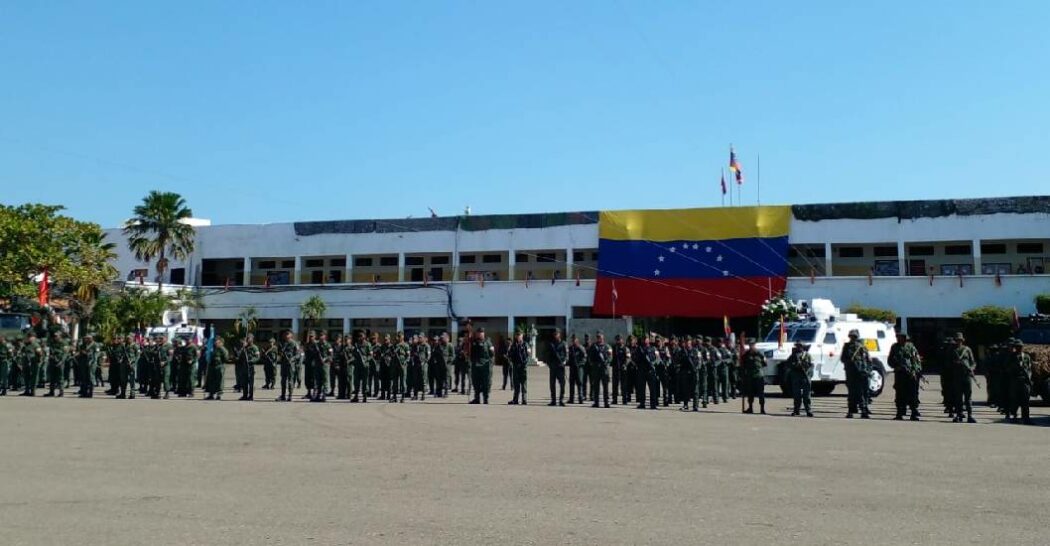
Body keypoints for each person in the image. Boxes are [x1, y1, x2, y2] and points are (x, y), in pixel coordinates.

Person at [888, 333, 922, 420]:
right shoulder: (894, 347)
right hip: (900, 374)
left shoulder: (911, 347)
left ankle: (913, 412)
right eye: (898, 337)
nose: (899, 339)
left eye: (901, 338)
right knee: (899, 394)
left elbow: (916, 360)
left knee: (912, 394)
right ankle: (899, 413)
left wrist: (914, 371)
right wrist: (896, 366)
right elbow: (890, 360)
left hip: (910, 374)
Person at [1003, 339, 1033, 424]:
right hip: (1015, 380)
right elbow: (1007, 368)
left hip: (1024, 380)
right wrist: (1015, 366)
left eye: (1020, 347)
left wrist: (1029, 378)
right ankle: (1014, 417)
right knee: (1014, 400)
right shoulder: (1011, 357)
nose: (1019, 348)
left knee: (1025, 401)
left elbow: (1030, 368)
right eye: (1017, 347)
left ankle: (1026, 418)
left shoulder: (1026, 356)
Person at [842, 329, 871, 419]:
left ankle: (863, 410)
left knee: (861, 392)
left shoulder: (862, 347)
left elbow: (868, 360)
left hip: (861, 373)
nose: (852, 338)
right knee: (852, 393)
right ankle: (851, 411)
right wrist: (849, 363)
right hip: (851, 373)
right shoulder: (846, 347)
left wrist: (866, 371)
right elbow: (843, 358)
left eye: (854, 336)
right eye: (851, 336)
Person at [949, 332, 977, 423]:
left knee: (968, 397)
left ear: (962, 341)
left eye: (960, 340)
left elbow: (973, 362)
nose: (958, 342)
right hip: (957, 376)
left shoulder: (967, 350)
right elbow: (947, 364)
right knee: (958, 397)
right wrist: (955, 363)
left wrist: (971, 369)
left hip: (966, 376)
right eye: (957, 340)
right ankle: (958, 415)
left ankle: (970, 415)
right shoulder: (952, 350)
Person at [784, 342, 814, 417]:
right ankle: (796, 410)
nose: (798, 348)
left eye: (800, 346)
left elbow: (811, 366)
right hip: (796, 377)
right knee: (796, 395)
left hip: (805, 377)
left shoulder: (807, 355)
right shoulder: (793, 356)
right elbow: (788, 364)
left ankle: (808, 410)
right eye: (797, 346)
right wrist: (795, 366)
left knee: (806, 395)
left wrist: (809, 375)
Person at [740, 338, 766, 414]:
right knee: (750, 393)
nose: (751, 346)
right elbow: (743, 365)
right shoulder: (746, 355)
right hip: (750, 376)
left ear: (755, 345)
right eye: (750, 344)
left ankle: (762, 409)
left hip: (758, 375)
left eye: (752, 344)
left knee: (761, 393)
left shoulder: (759, 354)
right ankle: (750, 408)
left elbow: (765, 363)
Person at [469, 328, 494, 405]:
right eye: (478, 333)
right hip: (476, 366)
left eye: (481, 333)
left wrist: (490, 364)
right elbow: (471, 354)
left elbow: (492, 354)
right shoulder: (474, 343)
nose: (479, 335)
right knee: (476, 383)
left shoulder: (488, 343)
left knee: (485, 383)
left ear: (483, 334)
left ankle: (485, 399)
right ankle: (477, 399)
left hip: (485, 366)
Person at [634, 335, 660, 409]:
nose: (645, 340)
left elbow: (657, 358)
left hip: (650, 370)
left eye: (646, 339)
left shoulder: (653, 348)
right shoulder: (639, 349)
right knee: (642, 388)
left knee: (652, 388)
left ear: (649, 340)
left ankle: (653, 404)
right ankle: (642, 403)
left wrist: (653, 364)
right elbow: (635, 358)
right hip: (642, 370)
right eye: (643, 339)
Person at [507, 330, 530, 405]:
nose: (518, 337)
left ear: (522, 335)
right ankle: (515, 399)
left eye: (520, 335)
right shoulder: (513, 345)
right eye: (517, 335)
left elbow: (528, 355)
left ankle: (524, 399)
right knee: (516, 384)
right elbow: (509, 355)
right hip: (516, 366)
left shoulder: (525, 344)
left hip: (523, 367)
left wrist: (525, 363)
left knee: (524, 384)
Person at [678, 336, 700, 412]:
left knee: (695, 390)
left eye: (688, 341)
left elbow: (699, 361)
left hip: (694, 372)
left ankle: (695, 406)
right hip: (685, 372)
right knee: (685, 390)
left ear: (691, 342)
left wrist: (696, 368)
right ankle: (685, 404)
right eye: (686, 341)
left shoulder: (695, 351)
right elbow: (678, 361)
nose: (687, 343)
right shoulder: (682, 351)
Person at [20, 332, 46, 397]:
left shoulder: (36, 345)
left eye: (30, 337)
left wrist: (39, 361)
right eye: (28, 337)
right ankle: (27, 390)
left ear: (34, 338)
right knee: (26, 376)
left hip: (33, 363)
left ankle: (33, 391)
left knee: (34, 377)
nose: (29, 338)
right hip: (26, 363)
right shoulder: (26, 345)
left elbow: (40, 354)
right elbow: (22, 352)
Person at [276, 330, 300, 402]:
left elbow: (298, 355)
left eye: (287, 334)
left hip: (291, 365)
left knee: (290, 381)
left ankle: (290, 395)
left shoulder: (294, 343)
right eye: (285, 334)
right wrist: (281, 354)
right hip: (283, 364)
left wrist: (292, 359)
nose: (286, 335)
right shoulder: (282, 343)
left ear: (291, 335)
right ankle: (283, 395)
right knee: (283, 380)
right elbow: (279, 353)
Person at [45, 332, 69, 398]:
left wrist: (61, 361)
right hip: (52, 361)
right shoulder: (52, 342)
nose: (55, 337)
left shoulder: (64, 343)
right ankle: (51, 391)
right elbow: (50, 351)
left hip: (60, 362)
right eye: (54, 336)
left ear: (60, 336)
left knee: (60, 378)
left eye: (56, 336)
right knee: (52, 377)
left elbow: (65, 353)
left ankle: (61, 392)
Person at [548, 329, 567, 406]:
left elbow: (566, 355)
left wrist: (564, 362)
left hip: (560, 366)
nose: (555, 335)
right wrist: (549, 364)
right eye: (554, 334)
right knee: (552, 384)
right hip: (553, 367)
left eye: (557, 334)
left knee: (562, 384)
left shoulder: (563, 344)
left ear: (559, 334)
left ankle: (561, 400)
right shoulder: (551, 344)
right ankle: (553, 401)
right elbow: (547, 355)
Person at [237, 334, 260, 401]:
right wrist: (243, 348)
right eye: (247, 338)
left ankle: (251, 396)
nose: (247, 339)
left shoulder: (254, 347)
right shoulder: (245, 347)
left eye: (249, 338)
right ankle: (244, 395)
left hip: (250, 367)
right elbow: (240, 356)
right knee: (244, 382)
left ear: (252, 339)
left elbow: (257, 357)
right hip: (244, 367)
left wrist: (251, 361)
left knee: (251, 383)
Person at [350, 331, 371, 403]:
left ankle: (364, 396)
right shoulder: (356, 345)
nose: (360, 338)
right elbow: (353, 355)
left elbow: (370, 355)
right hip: (357, 366)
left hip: (365, 366)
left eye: (361, 336)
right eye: (359, 336)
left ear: (364, 336)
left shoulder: (368, 345)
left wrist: (366, 360)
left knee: (365, 381)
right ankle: (356, 396)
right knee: (356, 381)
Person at [567, 334, 586, 404]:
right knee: (571, 383)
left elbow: (584, 358)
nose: (573, 341)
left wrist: (580, 364)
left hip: (579, 368)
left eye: (574, 339)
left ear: (577, 340)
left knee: (579, 383)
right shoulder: (570, 348)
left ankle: (580, 398)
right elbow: (568, 357)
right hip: (572, 368)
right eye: (572, 340)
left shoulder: (580, 348)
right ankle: (571, 398)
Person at [392, 332, 410, 403]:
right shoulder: (395, 345)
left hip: (402, 365)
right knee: (395, 381)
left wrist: (405, 362)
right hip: (395, 365)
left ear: (402, 337)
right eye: (397, 336)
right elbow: (392, 354)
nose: (398, 338)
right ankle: (394, 396)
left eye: (399, 336)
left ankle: (403, 396)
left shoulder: (406, 345)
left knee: (403, 381)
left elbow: (408, 356)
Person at [611, 334, 628, 405]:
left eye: (619, 339)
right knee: (615, 385)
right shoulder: (613, 348)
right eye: (617, 340)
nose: (618, 341)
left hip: (623, 369)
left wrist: (625, 365)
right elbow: (611, 357)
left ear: (622, 340)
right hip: (615, 368)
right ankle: (615, 399)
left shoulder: (625, 348)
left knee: (623, 385)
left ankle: (624, 400)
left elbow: (628, 358)